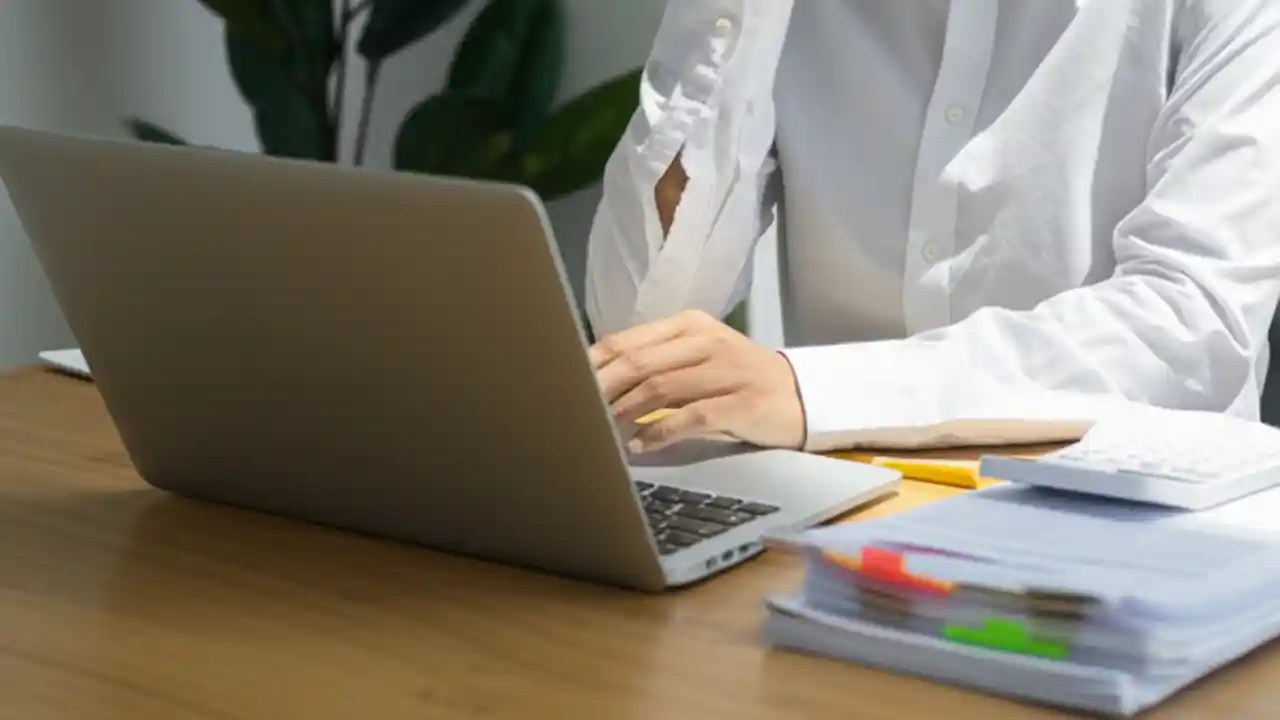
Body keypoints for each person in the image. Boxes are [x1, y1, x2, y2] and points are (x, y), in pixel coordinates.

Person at [584, 0, 1280, 455]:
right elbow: (644, 317)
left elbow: (1192, 325)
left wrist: (811, 392)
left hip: (1140, 537)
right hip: (839, 521)